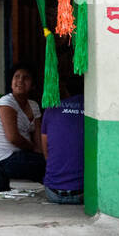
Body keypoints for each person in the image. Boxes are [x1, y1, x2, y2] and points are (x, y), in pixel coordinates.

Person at [0, 64, 45, 183]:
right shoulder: (6, 103)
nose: (20, 81)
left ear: (33, 85)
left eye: (26, 78)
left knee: (50, 162)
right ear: (11, 82)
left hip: (23, 155)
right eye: (16, 77)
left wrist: (41, 153)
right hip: (3, 160)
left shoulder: (34, 105)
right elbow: (14, 138)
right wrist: (34, 149)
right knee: (46, 166)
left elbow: (39, 138)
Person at [39, 68, 83, 204]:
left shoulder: (51, 110)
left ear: (64, 89)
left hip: (52, 193)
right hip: (83, 193)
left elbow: (46, 152)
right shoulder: (93, 110)